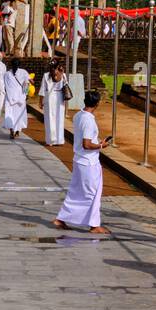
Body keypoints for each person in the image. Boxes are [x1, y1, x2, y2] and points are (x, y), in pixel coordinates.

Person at [54, 90, 110, 234]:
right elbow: (86, 144)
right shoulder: (88, 120)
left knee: (76, 192)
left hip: (79, 160)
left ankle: (61, 218)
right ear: (96, 104)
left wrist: (97, 142)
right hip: (88, 162)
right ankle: (94, 225)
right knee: (92, 194)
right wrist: (101, 145)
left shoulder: (78, 115)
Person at [39, 59, 68, 146]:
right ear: (58, 66)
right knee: (59, 118)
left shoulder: (46, 75)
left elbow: (42, 90)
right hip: (59, 97)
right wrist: (62, 73)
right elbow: (66, 86)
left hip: (49, 97)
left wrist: (40, 101)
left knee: (49, 119)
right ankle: (59, 140)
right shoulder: (62, 75)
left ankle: (51, 140)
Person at [1, 57, 31, 139]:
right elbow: (27, 84)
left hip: (10, 98)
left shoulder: (6, 74)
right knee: (18, 115)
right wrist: (26, 94)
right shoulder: (24, 72)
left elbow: (4, 86)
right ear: (19, 65)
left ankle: (12, 131)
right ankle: (17, 131)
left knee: (10, 114)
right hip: (20, 98)